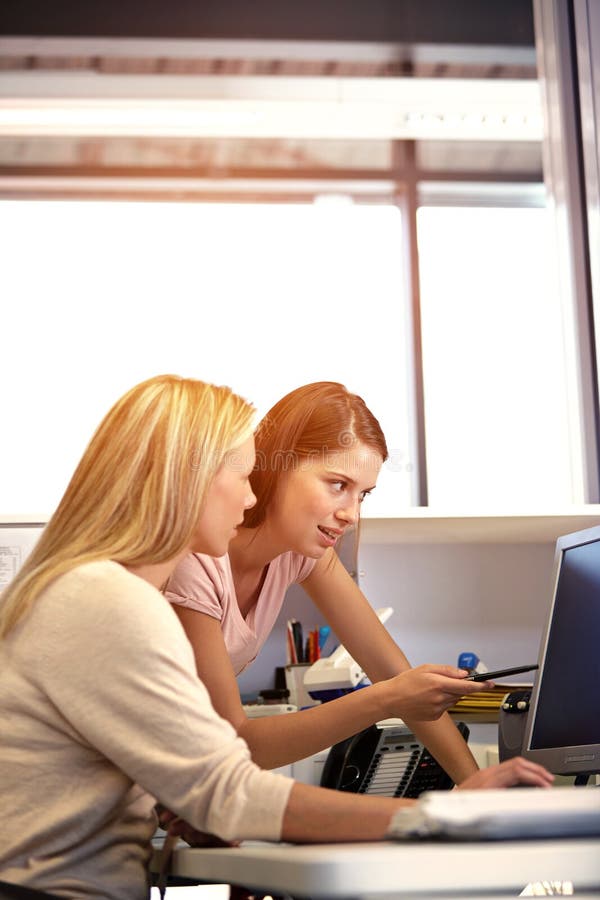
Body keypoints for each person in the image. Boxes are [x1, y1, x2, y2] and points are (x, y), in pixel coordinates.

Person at [0, 374, 553, 900]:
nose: (249, 498)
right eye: (244, 475)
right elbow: (229, 787)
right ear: (187, 476)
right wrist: (441, 818)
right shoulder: (112, 598)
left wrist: (171, 797)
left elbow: (177, 774)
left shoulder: (91, 590)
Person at [166, 383, 492, 780]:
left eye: (363, 495)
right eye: (337, 485)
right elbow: (237, 742)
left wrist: (476, 784)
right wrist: (385, 700)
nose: (350, 514)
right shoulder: (193, 563)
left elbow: (393, 673)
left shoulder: (304, 553)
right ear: (276, 466)